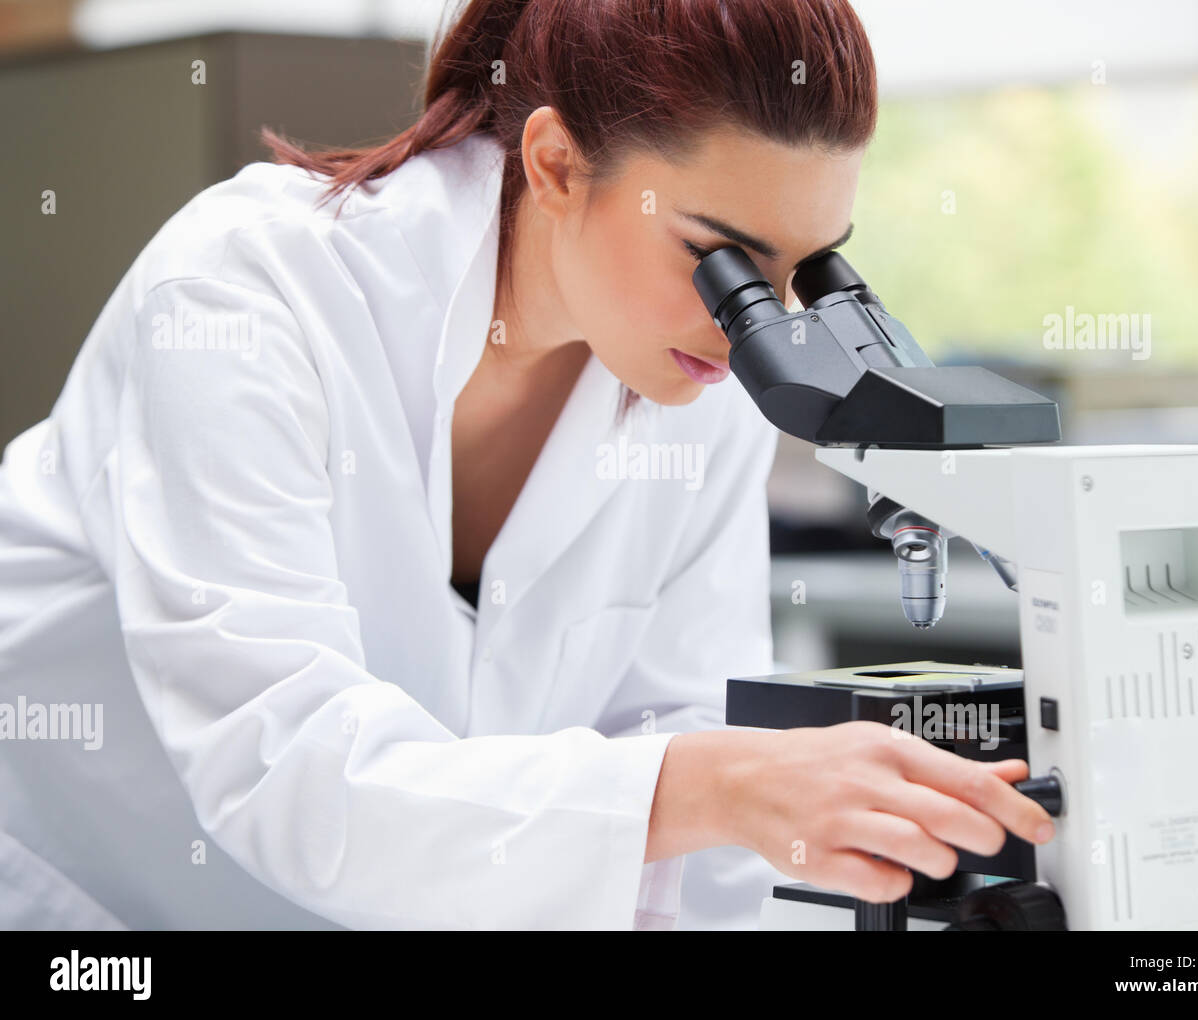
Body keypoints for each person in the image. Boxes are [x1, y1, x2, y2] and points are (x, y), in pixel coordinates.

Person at [0, 0, 1053, 930]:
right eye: (718, 257)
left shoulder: (699, 379)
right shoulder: (247, 292)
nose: (752, 326)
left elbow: (683, 773)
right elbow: (292, 773)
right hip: (78, 896)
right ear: (553, 164)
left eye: (793, 275)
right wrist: (718, 783)